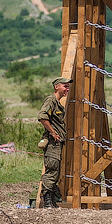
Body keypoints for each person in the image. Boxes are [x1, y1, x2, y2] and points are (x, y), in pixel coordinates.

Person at [38, 77, 71, 208]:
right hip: (52, 142)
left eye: (68, 87)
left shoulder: (58, 103)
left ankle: (51, 200)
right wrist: (52, 131)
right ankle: (47, 201)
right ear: (57, 87)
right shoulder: (50, 101)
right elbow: (42, 117)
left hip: (58, 142)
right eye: (65, 86)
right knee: (52, 170)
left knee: (56, 171)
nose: (67, 89)